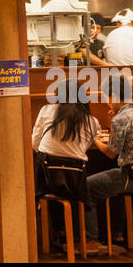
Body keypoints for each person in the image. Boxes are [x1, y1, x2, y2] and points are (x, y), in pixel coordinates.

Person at [85, 72, 133, 245]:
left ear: (113, 96)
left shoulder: (121, 118)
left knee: (86, 188)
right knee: (111, 180)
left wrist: (95, 139)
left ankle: (91, 242)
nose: (107, 102)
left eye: (106, 97)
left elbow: (111, 153)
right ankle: (118, 233)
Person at [33, 79, 99, 245]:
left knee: (49, 177)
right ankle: (79, 237)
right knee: (64, 183)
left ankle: (56, 234)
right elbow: (84, 148)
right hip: (75, 181)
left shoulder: (47, 110)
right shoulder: (92, 121)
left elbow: (35, 143)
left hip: (46, 177)